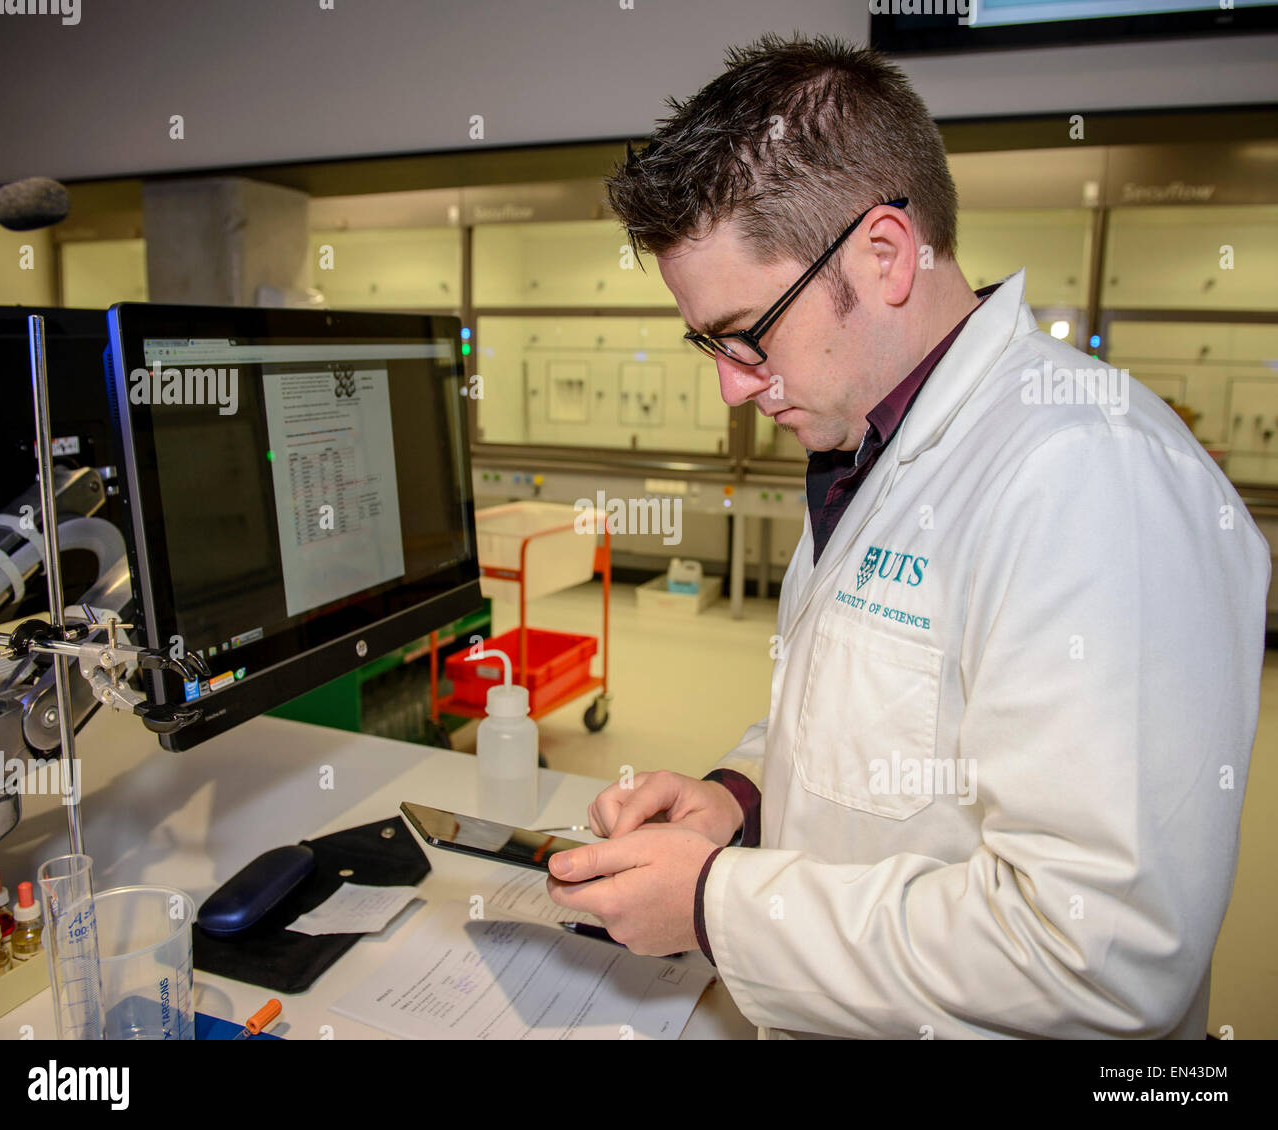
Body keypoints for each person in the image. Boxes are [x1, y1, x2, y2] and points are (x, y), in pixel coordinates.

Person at [544, 34, 1271, 1039]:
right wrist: (738, 799)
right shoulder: (873, 440)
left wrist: (718, 903)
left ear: (883, 255)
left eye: (750, 332)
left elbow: (1101, 949)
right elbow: (888, 715)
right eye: (706, 343)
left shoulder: (1091, 477)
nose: (730, 383)